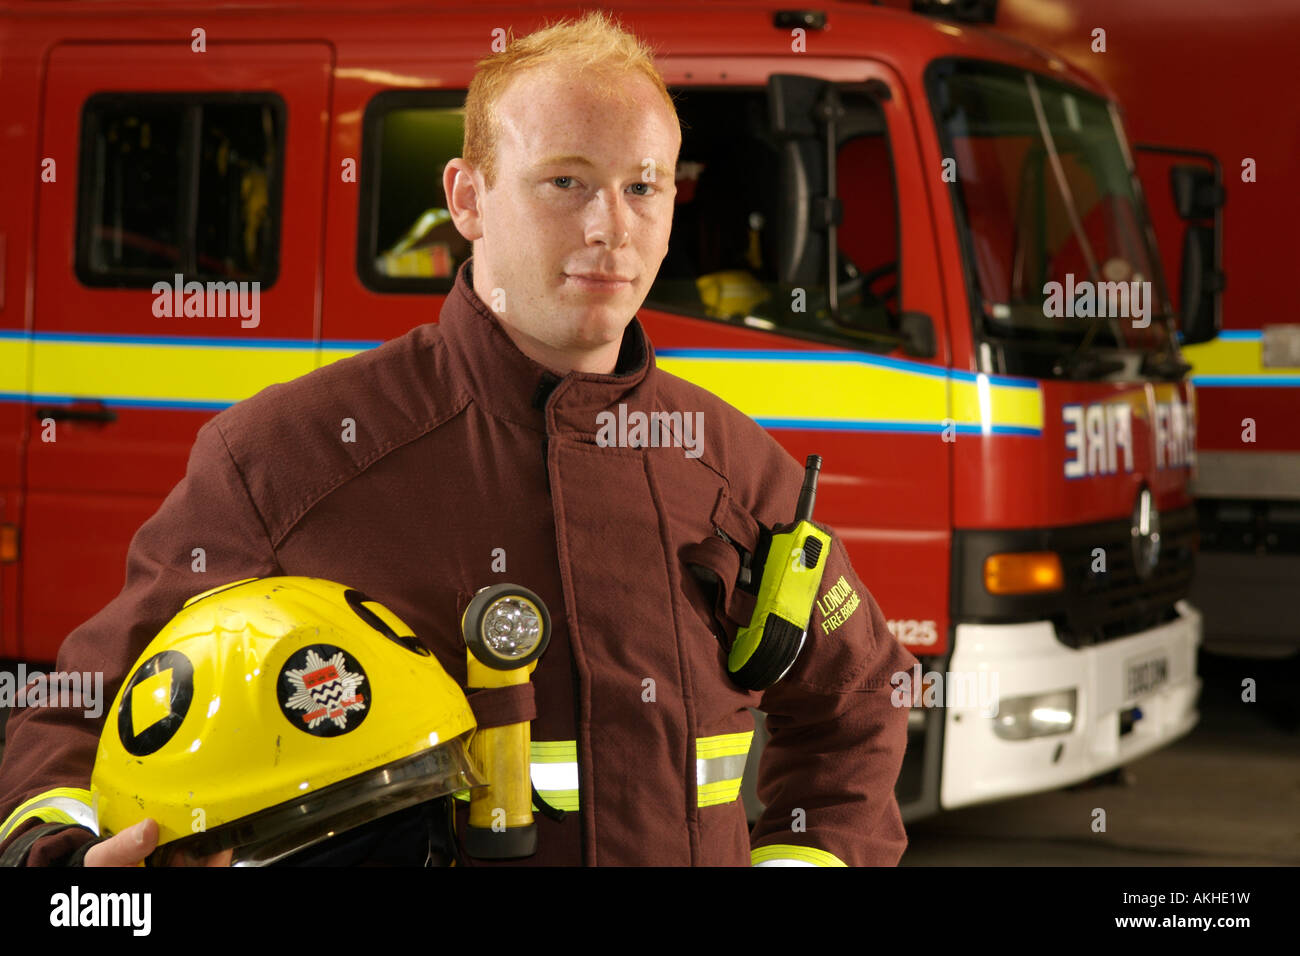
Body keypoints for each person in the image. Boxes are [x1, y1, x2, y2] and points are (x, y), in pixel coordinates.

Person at [0, 10, 918, 867]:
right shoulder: (289, 457)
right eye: (566, 181)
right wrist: (67, 870)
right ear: (467, 198)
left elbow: (860, 697)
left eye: (643, 187)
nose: (611, 227)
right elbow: (84, 710)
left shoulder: (731, 465)